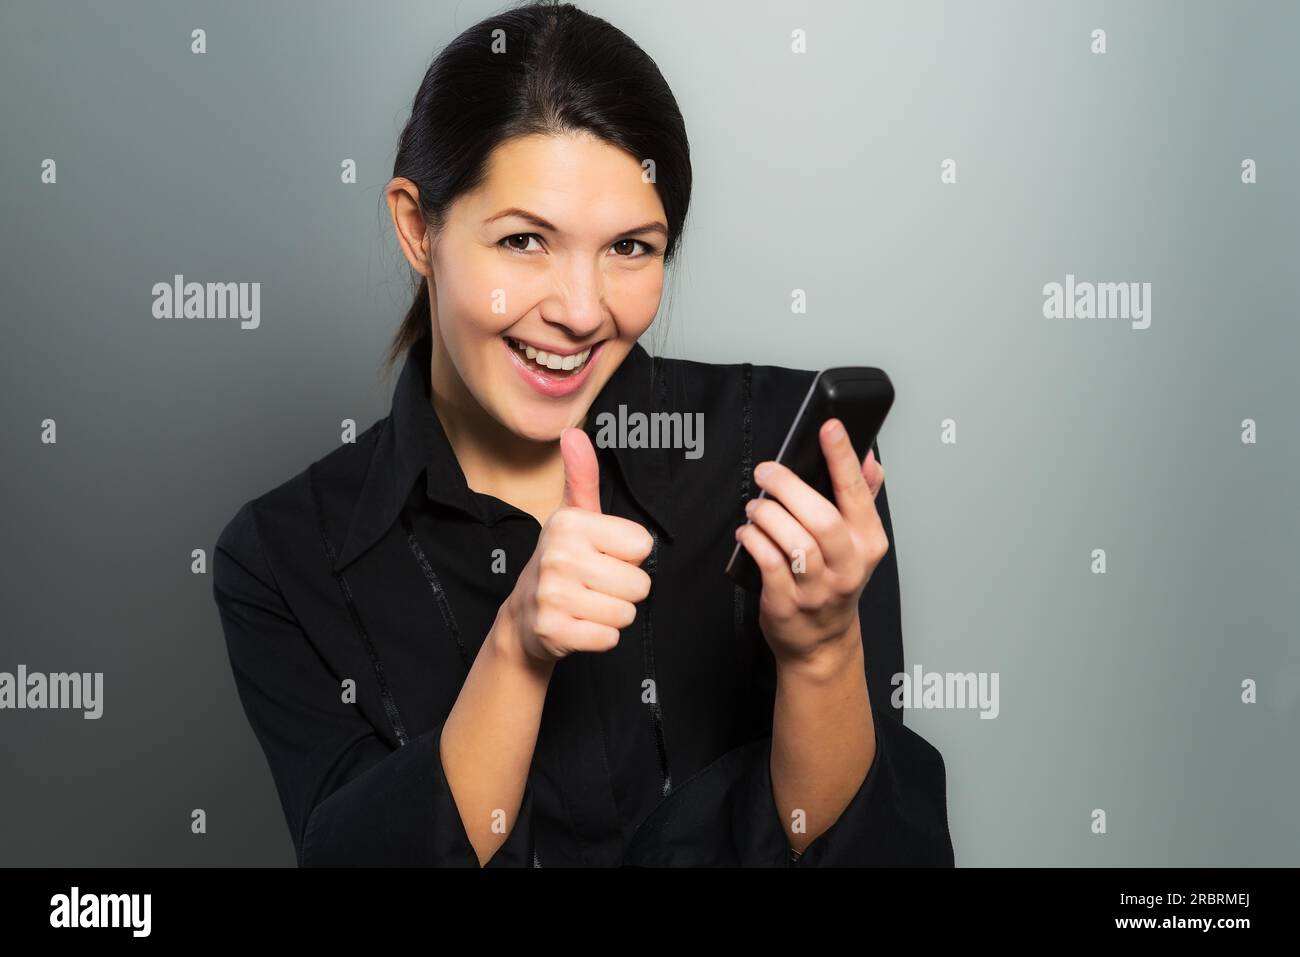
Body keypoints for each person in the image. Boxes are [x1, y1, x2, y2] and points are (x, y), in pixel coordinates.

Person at [212, 0, 953, 867]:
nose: (578, 311)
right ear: (419, 228)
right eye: (525, 240)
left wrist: (823, 654)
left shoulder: (784, 459)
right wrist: (516, 650)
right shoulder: (284, 554)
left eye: (631, 249)